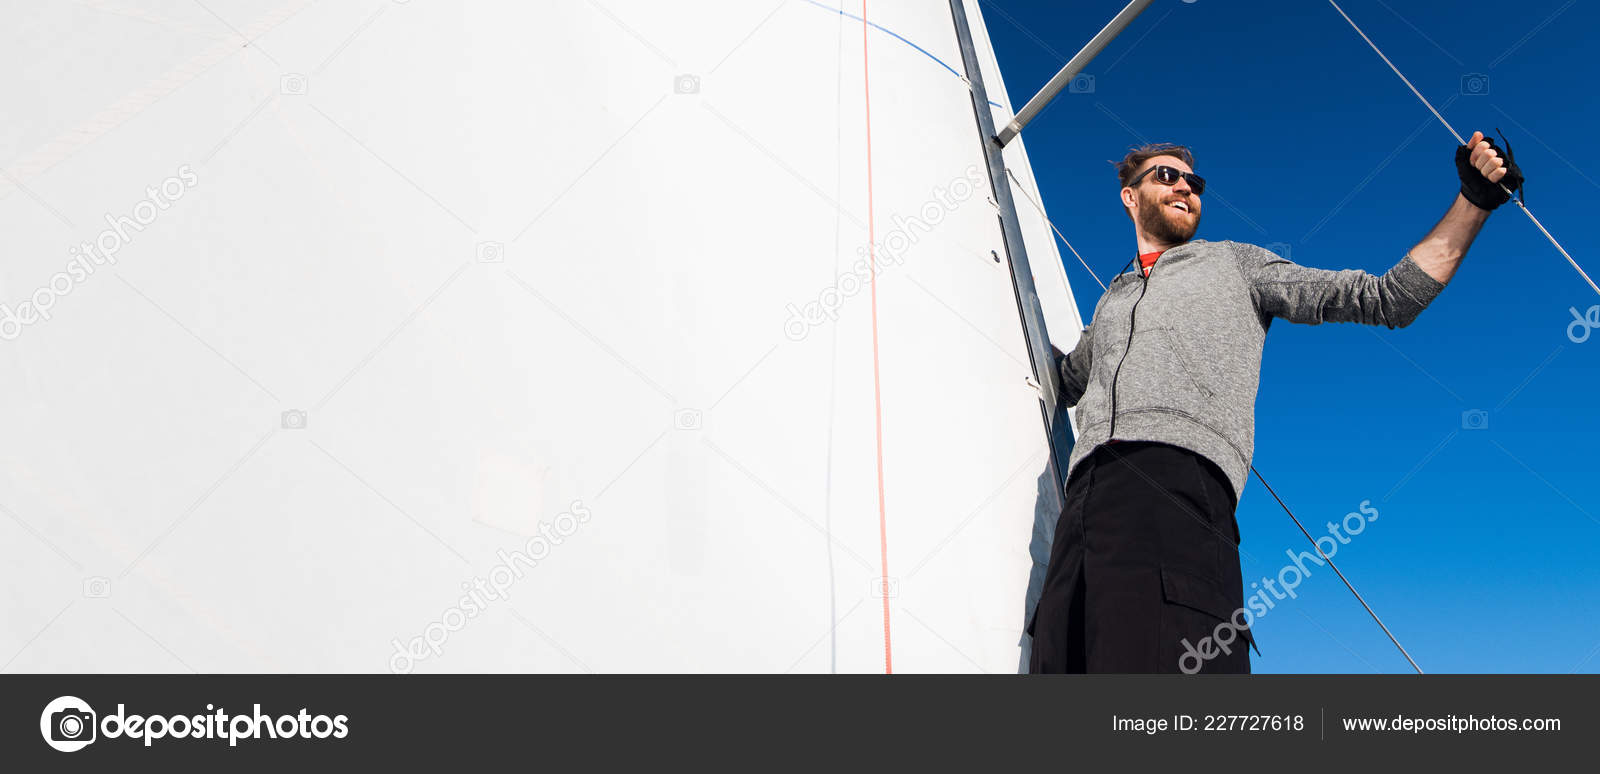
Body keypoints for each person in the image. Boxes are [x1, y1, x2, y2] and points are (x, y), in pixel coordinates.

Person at [1027, 132, 1523, 673]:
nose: (1186, 189)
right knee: (1057, 659)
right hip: (1080, 503)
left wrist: (1473, 202)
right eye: (1167, 177)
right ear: (1131, 195)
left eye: (1194, 183)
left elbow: (1384, 299)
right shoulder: (1111, 300)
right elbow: (1066, 375)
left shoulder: (1236, 264)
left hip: (1178, 483)